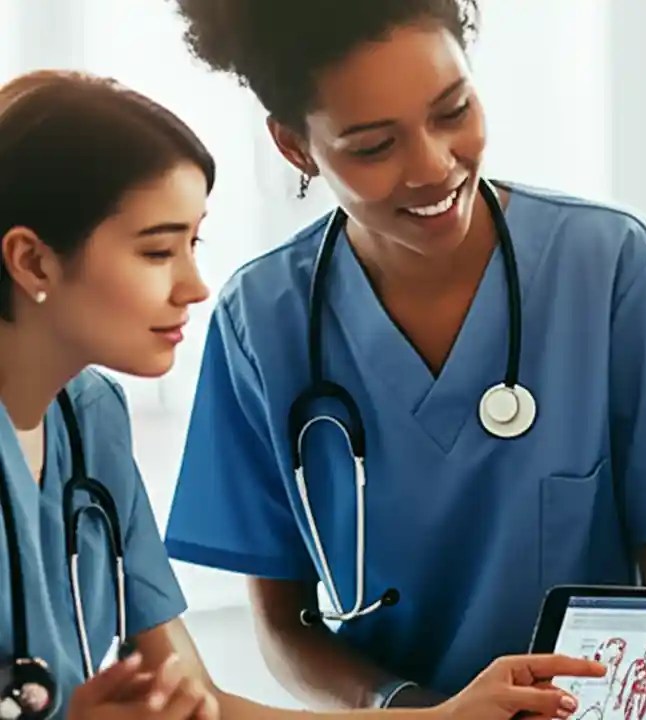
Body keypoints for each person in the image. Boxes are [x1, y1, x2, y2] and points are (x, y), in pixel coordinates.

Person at [160, 0, 646, 711]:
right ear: (296, 147)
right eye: (373, 146)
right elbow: (283, 626)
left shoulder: (612, 269)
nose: (433, 166)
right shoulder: (261, 319)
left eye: (452, 111)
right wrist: (419, 711)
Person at [0, 68, 606, 720]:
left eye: (193, 242)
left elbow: (200, 707)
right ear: (33, 261)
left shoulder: (89, 419)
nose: (196, 286)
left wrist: (441, 719)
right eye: (157, 252)